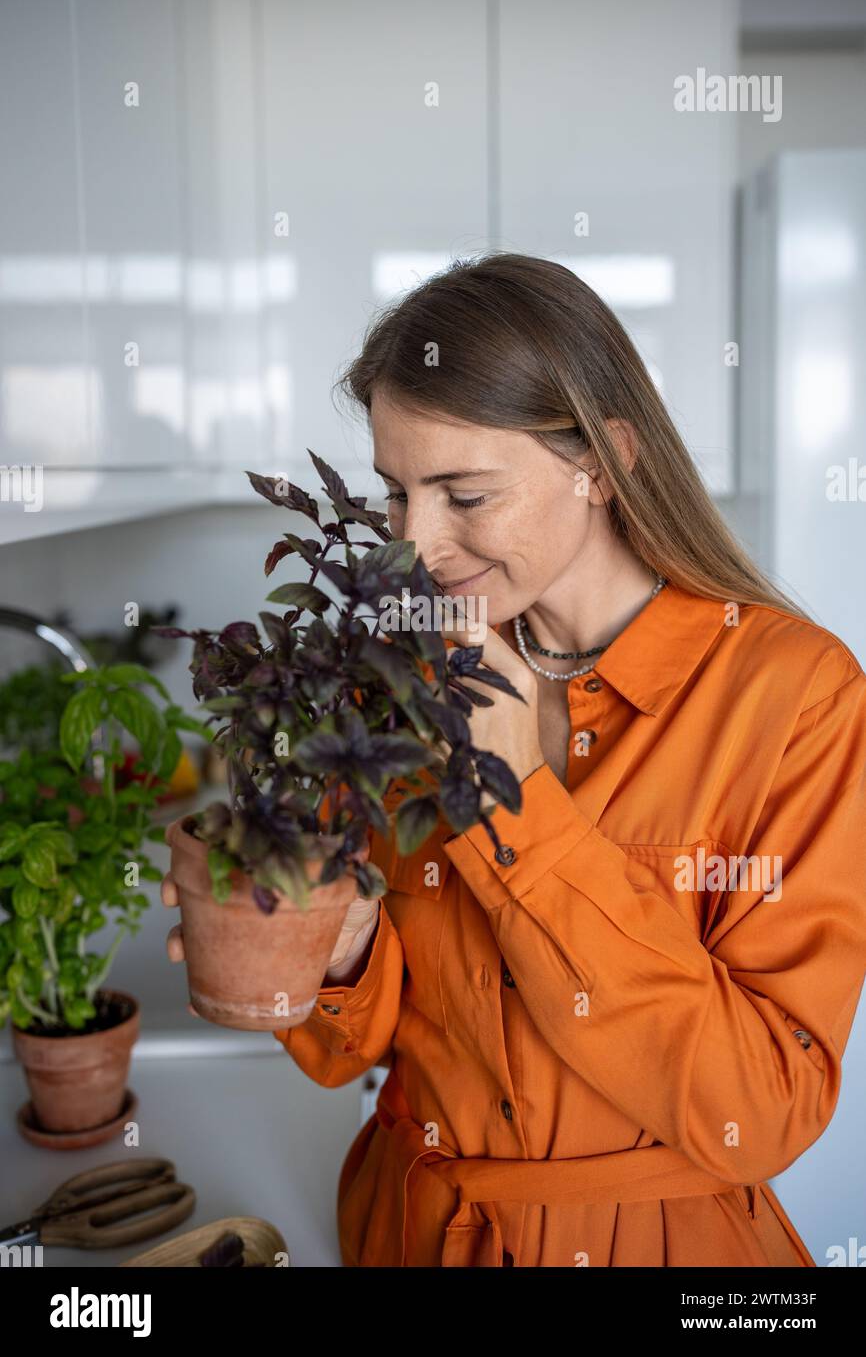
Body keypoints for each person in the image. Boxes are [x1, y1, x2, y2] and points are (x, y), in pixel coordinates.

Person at [163, 253, 866, 1267]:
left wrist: (521, 805)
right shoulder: (400, 674)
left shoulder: (793, 695)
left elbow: (758, 1110)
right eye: (397, 492)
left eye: (465, 493)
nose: (415, 543)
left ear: (601, 462)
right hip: (409, 1230)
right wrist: (344, 946)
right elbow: (346, 1052)